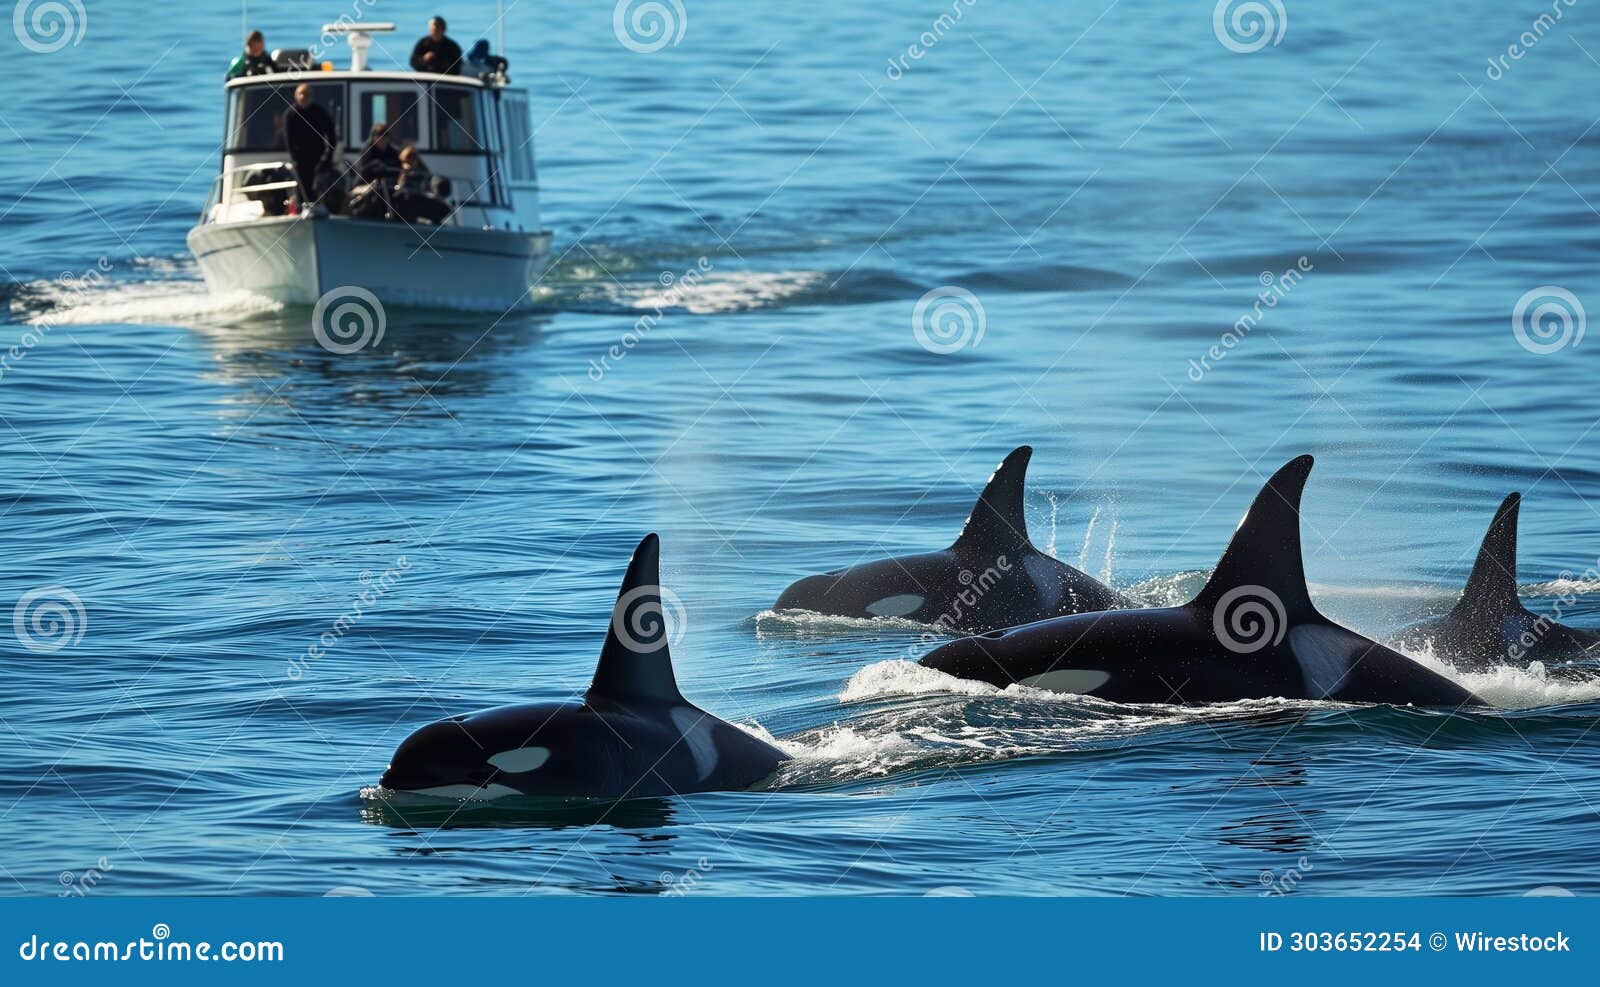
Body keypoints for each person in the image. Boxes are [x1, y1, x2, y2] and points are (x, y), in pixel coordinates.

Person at [282, 84, 339, 204]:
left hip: (319, 159)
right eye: (301, 94)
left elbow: (332, 136)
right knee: (302, 191)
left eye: (306, 95)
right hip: (300, 161)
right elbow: (289, 141)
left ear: (311, 97)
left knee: (319, 189)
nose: (303, 97)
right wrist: (295, 159)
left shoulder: (320, 113)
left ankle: (320, 210)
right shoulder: (290, 115)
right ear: (296, 96)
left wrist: (327, 157)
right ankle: (301, 211)